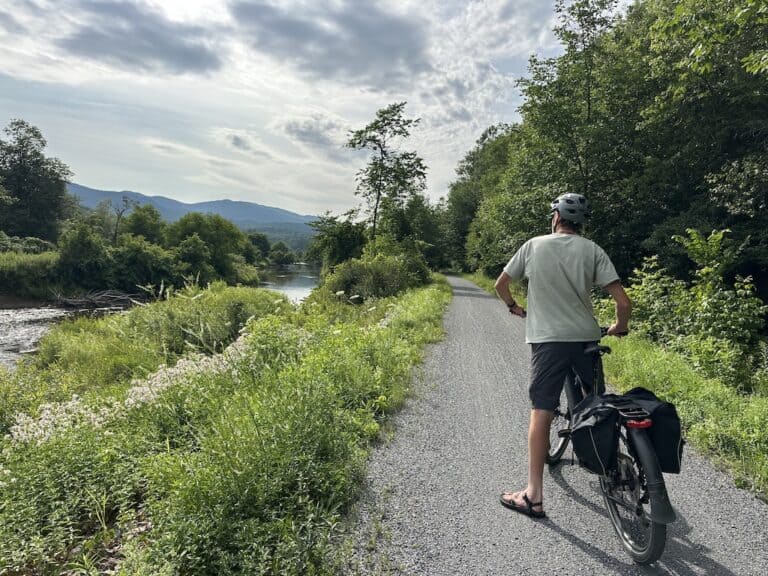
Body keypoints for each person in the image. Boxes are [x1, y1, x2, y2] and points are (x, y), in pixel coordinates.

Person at [494, 192, 631, 519]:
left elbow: (501, 285)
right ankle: (610, 467)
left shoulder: (533, 245)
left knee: (542, 411)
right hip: (586, 337)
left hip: (548, 341)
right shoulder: (593, 249)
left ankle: (533, 496)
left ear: (555, 217)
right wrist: (619, 326)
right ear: (579, 223)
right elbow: (623, 303)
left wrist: (514, 307)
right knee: (596, 402)